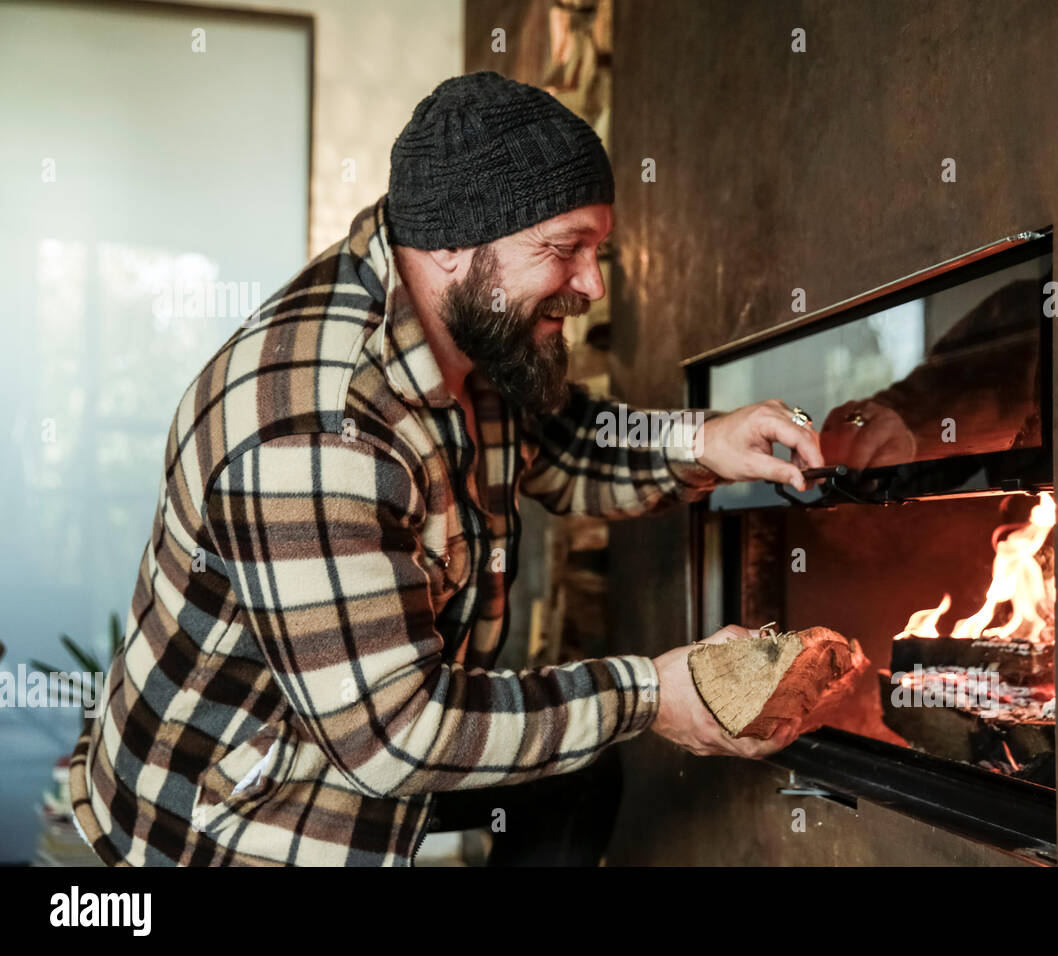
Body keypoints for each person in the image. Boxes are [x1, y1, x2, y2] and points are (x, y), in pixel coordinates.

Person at [68, 71, 824, 867]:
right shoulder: (315, 433)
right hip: (233, 823)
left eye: (596, 249)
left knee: (571, 776)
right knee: (577, 734)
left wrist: (705, 437)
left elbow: (564, 443)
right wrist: (651, 695)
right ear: (454, 245)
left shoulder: (470, 321)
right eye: (565, 250)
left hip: (357, 740)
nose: (592, 286)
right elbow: (395, 737)